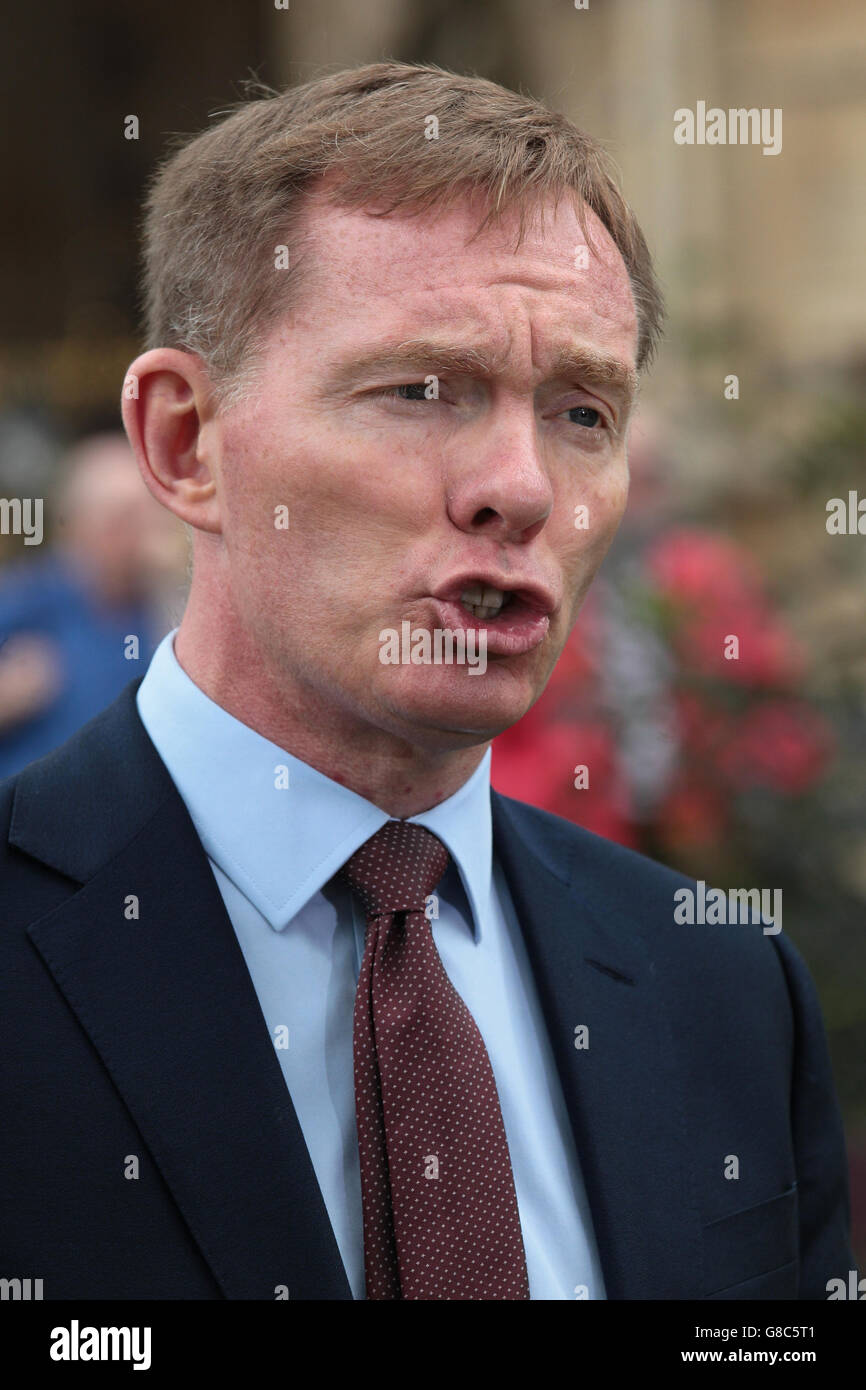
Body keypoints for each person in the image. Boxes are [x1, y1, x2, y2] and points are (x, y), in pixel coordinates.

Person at [0, 61, 855, 1301]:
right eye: (418, 390)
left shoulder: (719, 991)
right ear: (186, 443)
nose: (517, 485)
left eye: (580, 412)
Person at [0, 432, 185, 779]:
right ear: (81, 521)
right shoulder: (25, 600)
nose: (144, 534)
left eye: (151, 514)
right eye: (125, 518)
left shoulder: (162, 610)